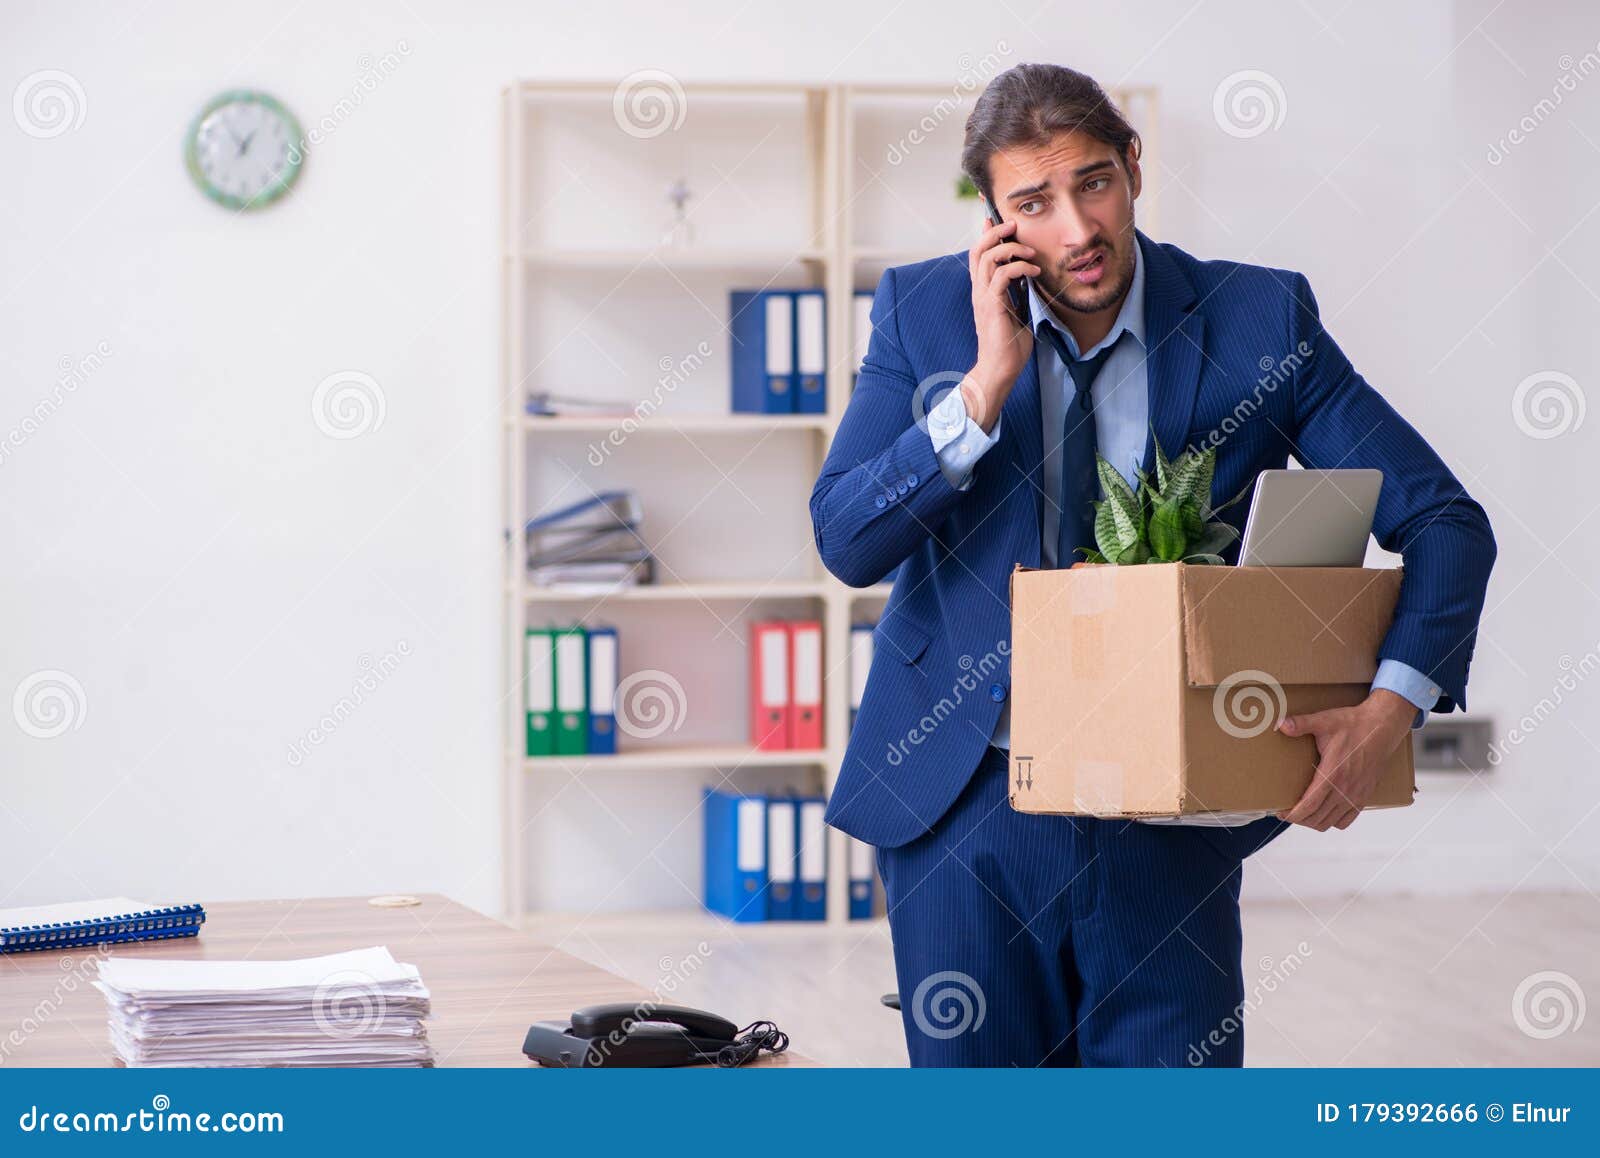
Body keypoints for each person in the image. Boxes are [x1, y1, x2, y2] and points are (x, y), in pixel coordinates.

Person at [811, 62, 1496, 1067]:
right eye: (1033, 203)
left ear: (1133, 166)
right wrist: (982, 388)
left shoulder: (1259, 320)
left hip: (1172, 814)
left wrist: (1387, 709)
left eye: (1092, 182)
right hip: (963, 808)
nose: (1076, 229)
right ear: (994, 219)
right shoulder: (924, 314)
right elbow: (846, 539)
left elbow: (1444, 522)